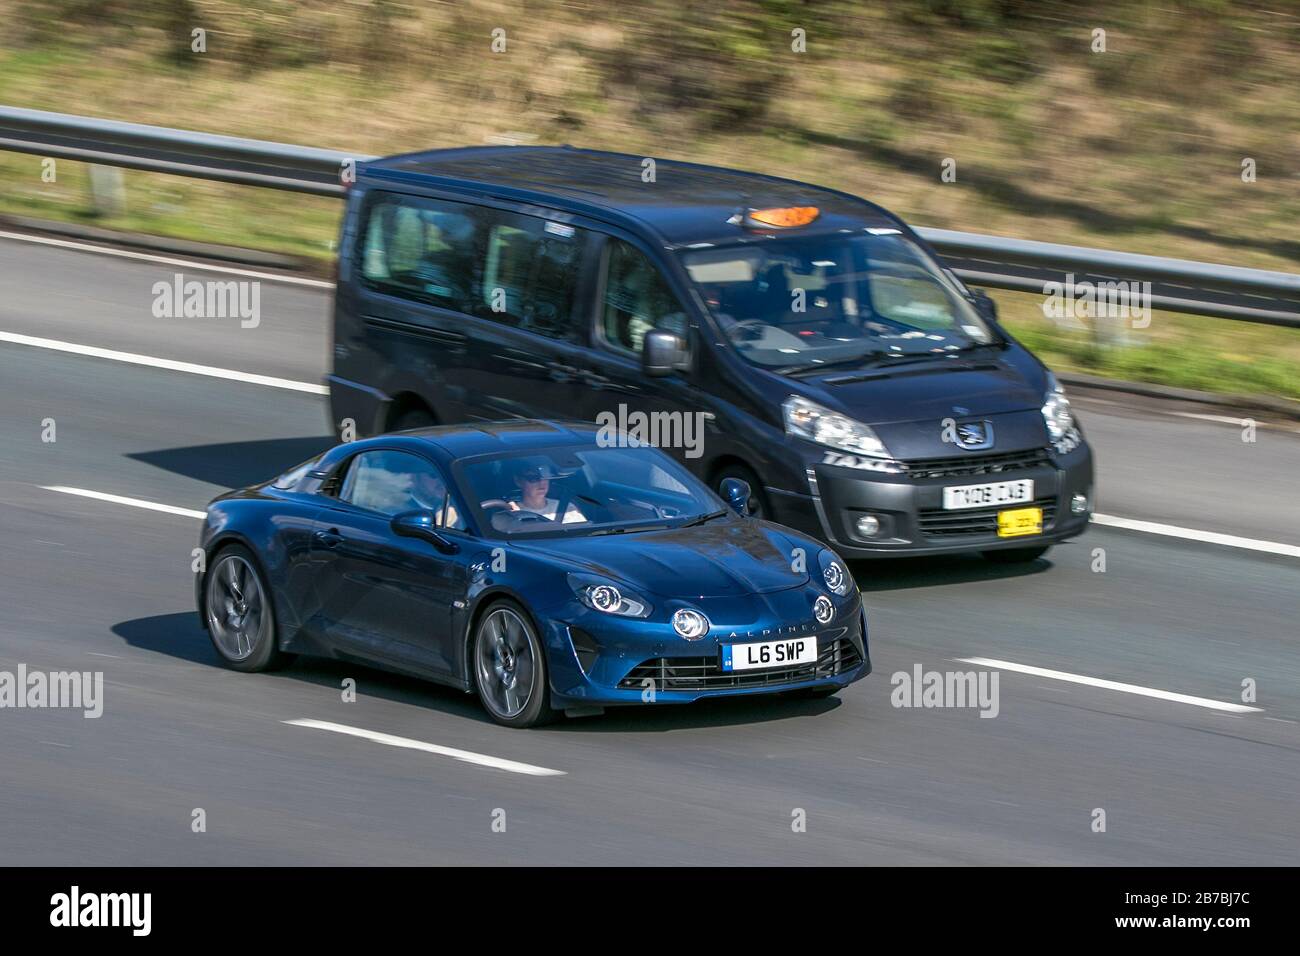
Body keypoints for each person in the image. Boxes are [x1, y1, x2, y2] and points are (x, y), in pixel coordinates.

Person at [504, 464, 585, 523]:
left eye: (546, 477)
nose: (542, 483)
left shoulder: (567, 508)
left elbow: (582, 535)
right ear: (518, 481)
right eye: (534, 478)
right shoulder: (509, 512)